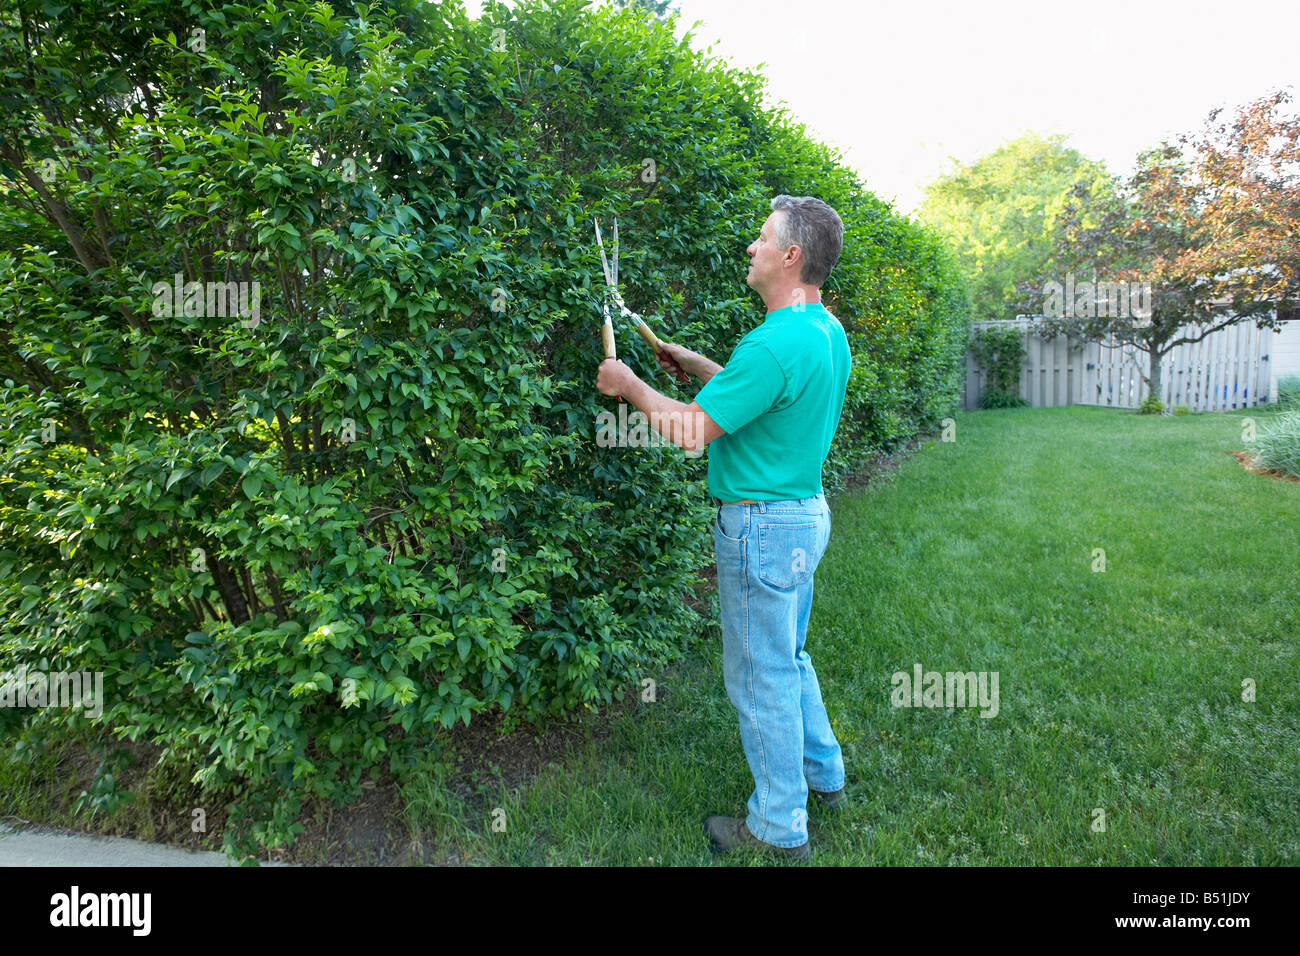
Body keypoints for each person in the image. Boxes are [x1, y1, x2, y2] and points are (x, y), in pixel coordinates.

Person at [595, 194, 852, 861]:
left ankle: (777, 824)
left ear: (790, 256)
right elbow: (767, 400)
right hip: (803, 518)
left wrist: (627, 386)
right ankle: (825, 776)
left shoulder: (772, 343)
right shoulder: (822, 329)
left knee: (759, 676)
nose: (751, 248)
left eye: (762, 239)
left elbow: (688, 432)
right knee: (789, 658)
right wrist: (707, 371)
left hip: (762, 528)